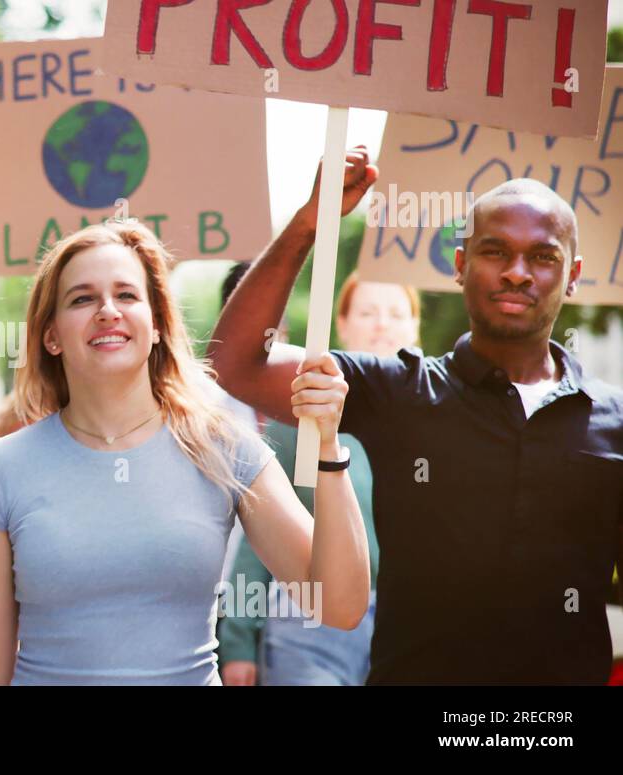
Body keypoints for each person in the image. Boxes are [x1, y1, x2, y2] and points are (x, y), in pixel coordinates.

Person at [210, 149, 623, 685]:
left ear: (573, 276)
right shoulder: (398, 389)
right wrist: (310, 224)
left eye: (543, 257)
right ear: (459, 265)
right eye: (495, 251)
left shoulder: (613, 419)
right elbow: (236, 363)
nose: (518, 273)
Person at [0, 220, 371, 685]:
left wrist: (330, 446)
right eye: (82, 298)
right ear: (51, 335)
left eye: (127, 295)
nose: (107, 310)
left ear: (156, 325)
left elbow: (339, 604)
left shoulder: (224, 447)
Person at [219, 273, 420, 686]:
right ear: (342, 324)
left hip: (411, 625)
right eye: (367, 312)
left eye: (396, 313)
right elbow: (265, 531)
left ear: (414, 325)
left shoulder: (441, 418)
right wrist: (238, 640)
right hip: (312, 625)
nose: (382, 324)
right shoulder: (303, 416)